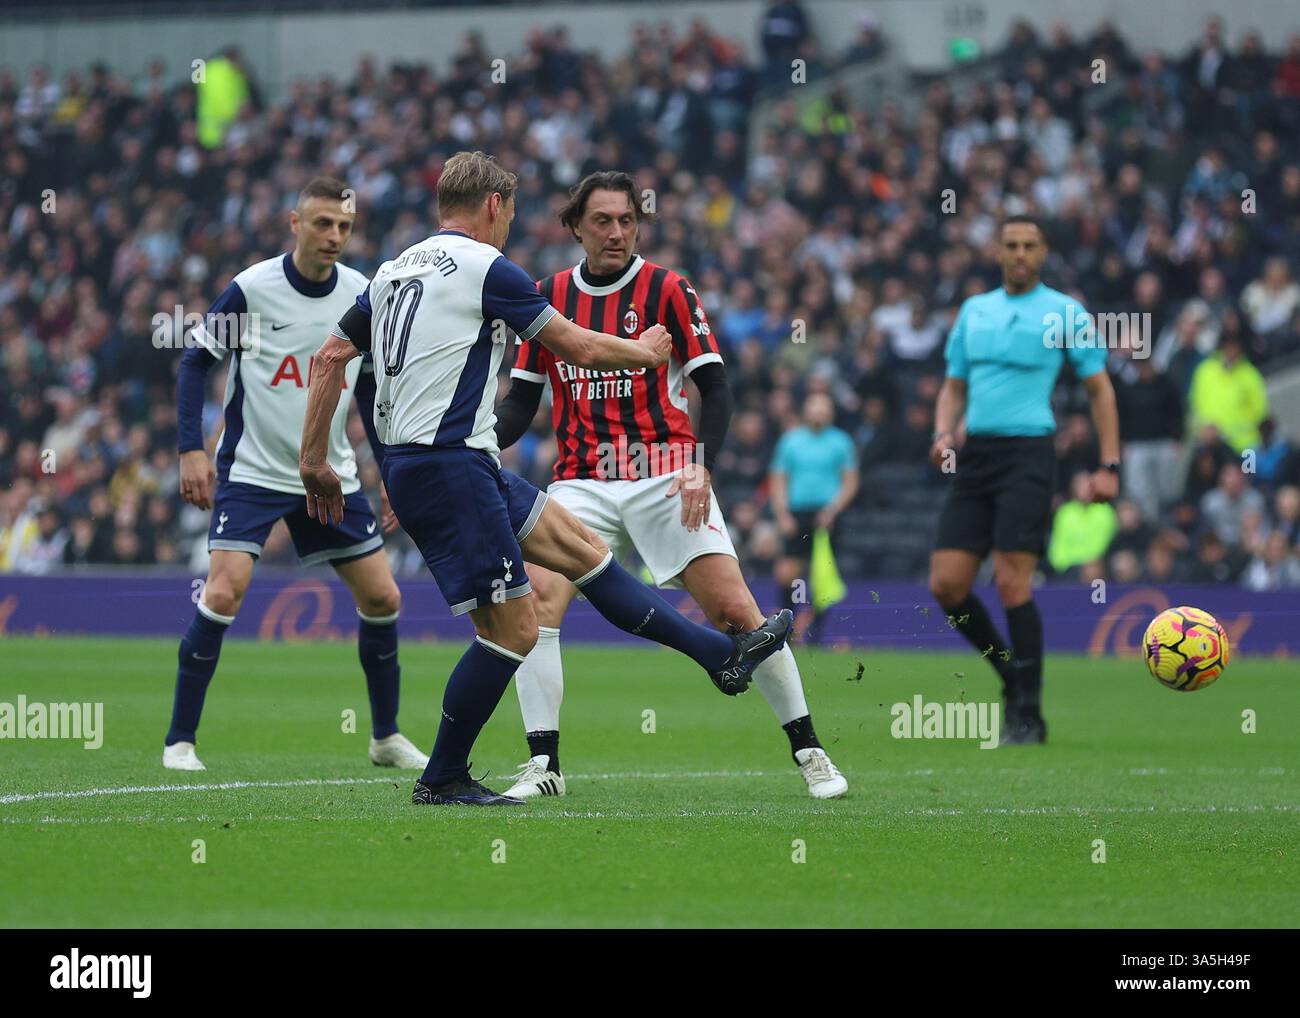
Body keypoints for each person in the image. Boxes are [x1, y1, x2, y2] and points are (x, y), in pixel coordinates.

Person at [299, 151, 791, 808]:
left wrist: (317, 462)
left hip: (450, 462)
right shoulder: (486, 266)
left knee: (584, 551)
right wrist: (644, 352)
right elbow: (579, 347)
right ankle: (443, 775)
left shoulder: (392, 269)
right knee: (514, 630)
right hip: (451, 469)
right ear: (494, 207)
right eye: (510, 213)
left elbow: (333, 355)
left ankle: (720, 656)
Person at [491, 171, 846, 801]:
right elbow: (520, 404)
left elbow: (716, 387)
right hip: (582, 480)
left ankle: (810, 749)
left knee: (737, 613)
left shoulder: (669, 289)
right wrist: (476, 446)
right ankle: (544, 765)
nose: (617, 233)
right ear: (575, 226)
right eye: (602, 221)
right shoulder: (545, 297)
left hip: (665, 471)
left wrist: (702, 463)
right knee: (537, 601)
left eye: (627, 220)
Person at [165, 177, 424, 772]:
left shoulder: (363, 293)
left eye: (344, 227)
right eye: (322, 224)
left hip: (328, 477)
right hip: (253, 470)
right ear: (295, 222)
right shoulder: (252, 289)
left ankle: (384, 737)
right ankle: (180, 741)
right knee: (224, 591)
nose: (333, 236)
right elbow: (194, 362)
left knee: (383, 597)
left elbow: (369, 395)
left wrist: (391, 475)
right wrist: (189, 450)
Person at [929, 215, 1120, 745]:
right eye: (1010, 245)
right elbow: (952, 386)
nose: (1019, 254)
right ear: (997, 251)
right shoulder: (974, 310)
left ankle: (1029, 714)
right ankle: (1011, 675)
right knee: (946, 584)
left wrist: (1109, 466)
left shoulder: (1065, 312)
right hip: (977, 455)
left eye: (1029, 246)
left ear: (1043, 253)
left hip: (1031, 452)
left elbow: (1101, 391)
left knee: (1013, 581)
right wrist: (943, 431)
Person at [769, 392, 859, 646]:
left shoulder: (841, 442)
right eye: (814, 407)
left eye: (824, 408)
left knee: (823, 578)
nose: (819, 412)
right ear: (806, 411)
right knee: (787, 574)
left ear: (831, 412)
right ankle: (788, 629)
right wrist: (782, 514)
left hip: (828, 516)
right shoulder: (791, 441)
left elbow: (850, 482)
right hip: (797, 515)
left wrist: (833, 509)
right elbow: (778, 480)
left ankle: (814, 635)